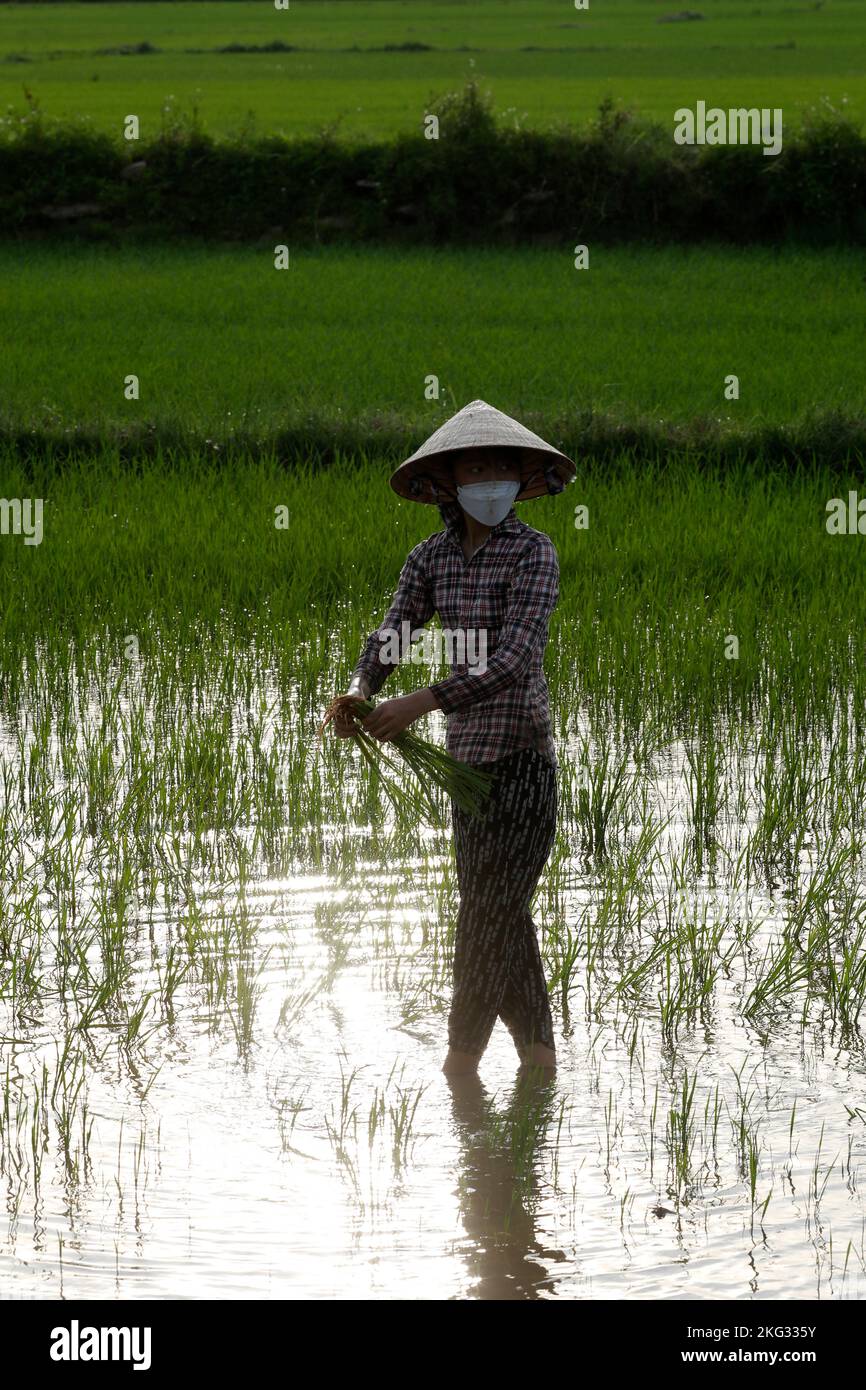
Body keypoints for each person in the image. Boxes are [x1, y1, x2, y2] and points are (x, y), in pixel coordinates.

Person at [331, 399, 575, 1076]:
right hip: (465, 768)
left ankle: (458, 1066)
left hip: (523, 763)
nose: (490, 477)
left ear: (521, 478)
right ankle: (540, 1060)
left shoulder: (533, 553)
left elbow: (514, 660)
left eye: (502, 465)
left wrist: (422, 701)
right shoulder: (431, 558)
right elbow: (394, 632)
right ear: (448, 481)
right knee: (500, 917)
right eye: (477, 466)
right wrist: (362, 689)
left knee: (487, 917)